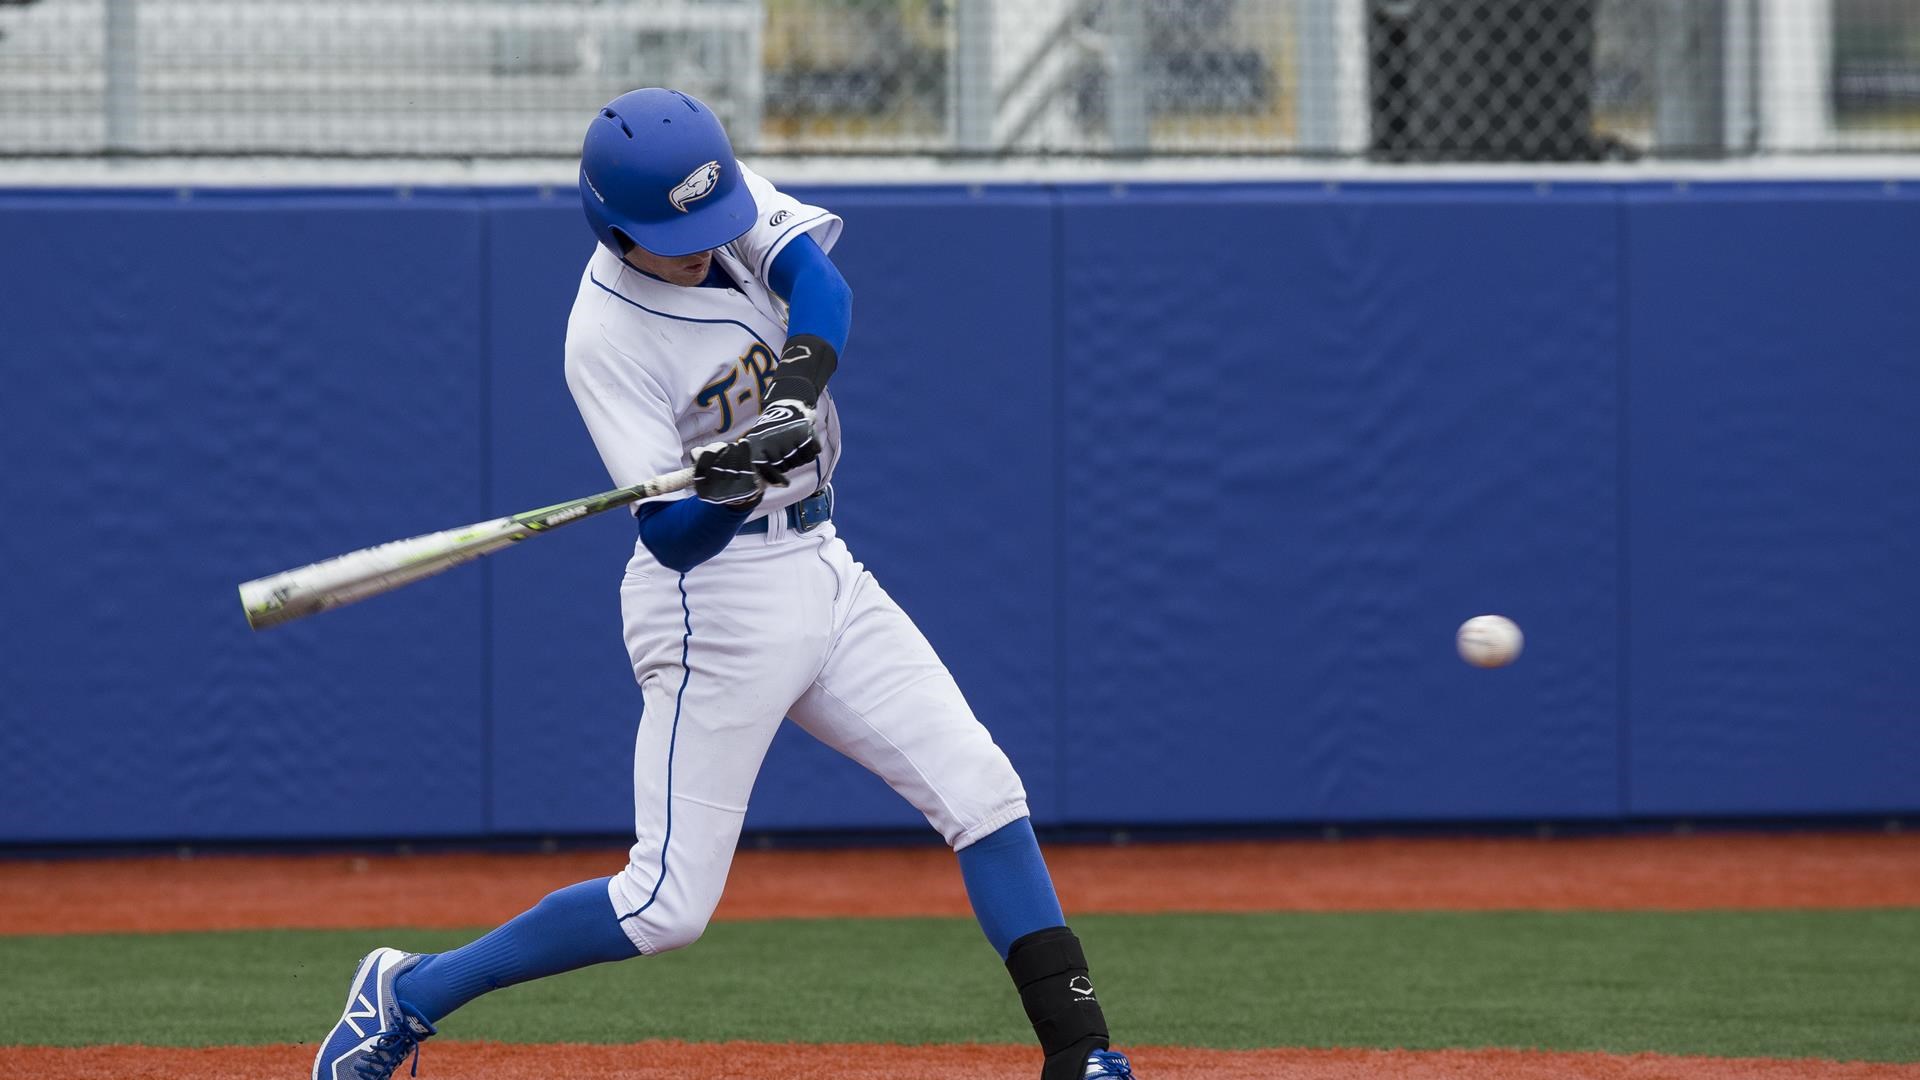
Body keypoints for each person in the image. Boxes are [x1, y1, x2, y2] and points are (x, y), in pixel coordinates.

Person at [312, 88, 1137, 1080]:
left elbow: (823, 288)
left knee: (983, 789)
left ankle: (1079, 1056)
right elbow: (671, 541)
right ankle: (408, 994)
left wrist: (791, 397)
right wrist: (739, 477)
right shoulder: (603, 337)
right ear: (616, 227)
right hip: (717, 609)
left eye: (711, 221)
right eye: (677, 235)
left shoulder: (714, 208)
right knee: (662, 905)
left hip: (827, 568)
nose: (705, 245)